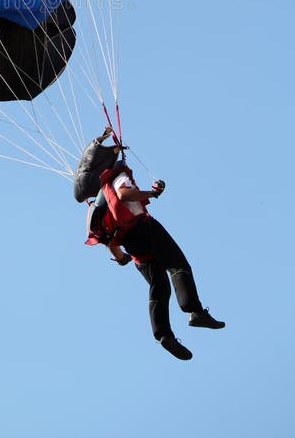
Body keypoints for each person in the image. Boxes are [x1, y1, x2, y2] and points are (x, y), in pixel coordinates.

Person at [89, 128, 225, 361]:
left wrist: (121, 258)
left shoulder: (100, 205)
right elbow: (124, 195)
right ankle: (194, 311)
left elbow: (110, 241)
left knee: (159, 287)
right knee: (178, 264)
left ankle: (164, 335)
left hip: (131, 243)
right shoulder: (118, 175)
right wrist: (153, 193)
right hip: (144, 229)